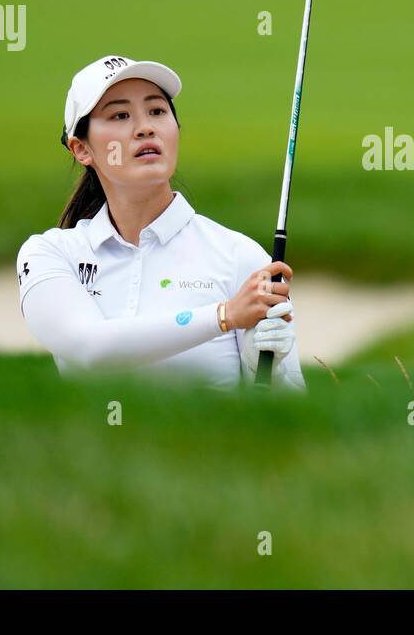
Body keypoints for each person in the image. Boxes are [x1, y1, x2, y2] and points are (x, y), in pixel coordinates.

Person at [15, 54, 306, 390]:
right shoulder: (50, 254)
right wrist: (224, 316)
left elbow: (287, 419)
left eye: (157, 111)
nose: (145, 127)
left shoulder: (240, 256)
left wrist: (268, 372)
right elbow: (90, 348)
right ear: (81, 149)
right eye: (120, 115)